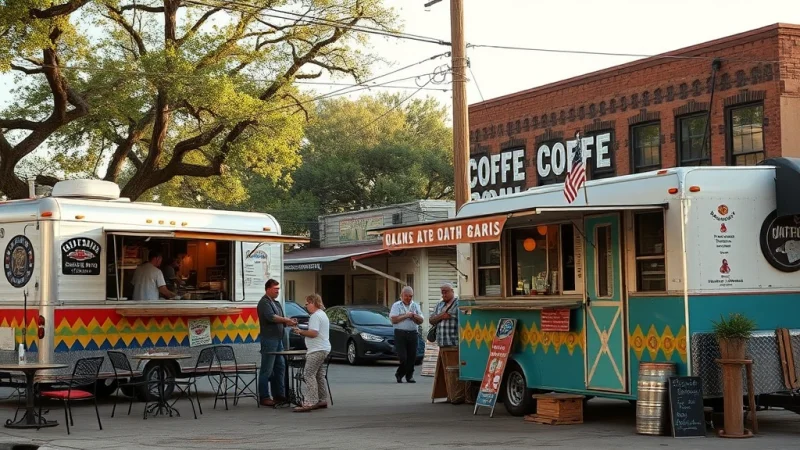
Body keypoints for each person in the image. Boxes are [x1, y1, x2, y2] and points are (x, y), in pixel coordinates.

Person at [257, 279, 297, 407]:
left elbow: (281, 318)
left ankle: (279, 394)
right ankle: (264, 396)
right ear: (268, 289)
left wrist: (289, 321)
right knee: (267, 369)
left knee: (280, 367)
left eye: (278, 289)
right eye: (275, 289)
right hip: (269, 339)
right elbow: (271, 317)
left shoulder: (277, 303)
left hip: (279, 339)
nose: (277, 291)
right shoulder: (264, 303)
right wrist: (286, 320)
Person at [291, 294, 331, 412]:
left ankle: (310, 401)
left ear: (313, 303)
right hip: (323, 348)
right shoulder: (322, 314)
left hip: (316, 349)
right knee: (318, 375)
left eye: (307, 303)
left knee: (308, 374)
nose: (306, 306)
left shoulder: (315, 316)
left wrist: (301, 332)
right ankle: (322, 399)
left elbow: (314, 333)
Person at [389, 286, 423, 383]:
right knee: (403, 357)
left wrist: (414, 316)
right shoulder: (396, 305)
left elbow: (420, 320)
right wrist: (406, 315)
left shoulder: (415, 306)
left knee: (412, 357)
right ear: (401, 295)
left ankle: (409, 376)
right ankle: (399, 373)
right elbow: (394, 319)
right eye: (406, 296)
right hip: (400, 333)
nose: (408, 298)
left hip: (413, 333)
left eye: (410, 296)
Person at [429, 282, 459, 348]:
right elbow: (431, 320)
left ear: (452, 291)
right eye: (442, 293)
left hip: (454, 343)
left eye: (446, 292)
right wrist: (441, 316)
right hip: (441, 343)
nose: (444, 295)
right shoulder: (439, 304)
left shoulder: (458, 304)